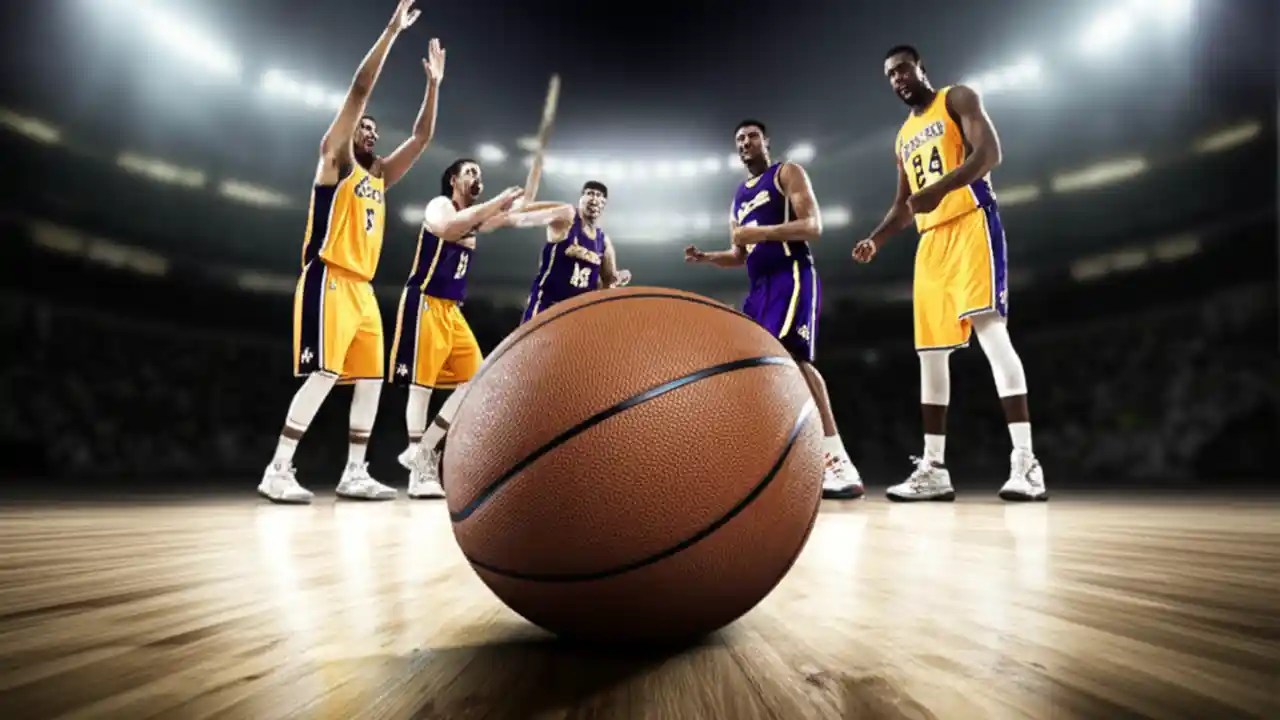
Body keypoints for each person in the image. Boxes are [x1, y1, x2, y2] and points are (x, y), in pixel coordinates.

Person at [257, 0, 443, 505]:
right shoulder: (335, 160)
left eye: (373, 131)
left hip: (362, 288)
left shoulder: (379, 175)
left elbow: (423, 137)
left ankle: (354, 472)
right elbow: (360, 91)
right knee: (325, 372)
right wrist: (391, 32)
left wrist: (433, 85)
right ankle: (278, 468)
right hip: (329, 276)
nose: (370, 132)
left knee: (371, 379)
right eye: (364, 127)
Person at [853, 44, 1046, 502]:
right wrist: (877, 238)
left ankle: (1026, 462)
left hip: (972, 222)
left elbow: (989, 154)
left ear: (922, 68)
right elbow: (904, 205)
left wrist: (939, 189)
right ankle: (934, 468)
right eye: (890, 76)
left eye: (903, 69)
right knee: (930, 354)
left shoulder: (956, 98)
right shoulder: (902, 137)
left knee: (991, 333)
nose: (898, 79)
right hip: (931, 242)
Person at [685, 120, 864, 500]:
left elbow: (813, 226)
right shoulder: (737, 196)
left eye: (751, 136)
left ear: (766, 142)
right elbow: (739, 254)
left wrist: (759, 234)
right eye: (739, 139)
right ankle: (772, 462)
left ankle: (837, 459)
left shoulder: (787, 173)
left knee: (796, 360)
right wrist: (708, 258)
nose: (745, 142)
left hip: (791, 276)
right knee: (755, 372)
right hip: (759, 289)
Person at [522, 180, 632, 323]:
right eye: (590, 194)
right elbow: (531, 210)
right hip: (548, 304)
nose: (594, 199)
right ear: (581, 199)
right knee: (533, 344)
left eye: (599, 196)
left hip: (577, 311)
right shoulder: (566, 218)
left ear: (603, 204)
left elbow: (608, 279)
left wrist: (618, 277)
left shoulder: (603, 241)